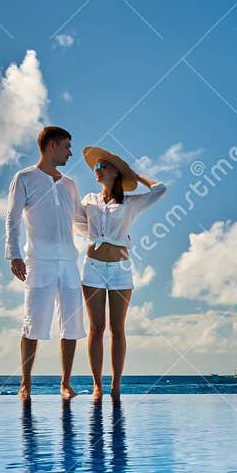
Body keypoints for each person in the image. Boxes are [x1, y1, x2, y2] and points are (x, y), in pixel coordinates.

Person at [74, 146, 167, 402]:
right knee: (96, 328)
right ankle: (97, 385)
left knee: (117, 328)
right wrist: (95, 238)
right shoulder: (89, 200)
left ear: (115, 171)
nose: (97, 170)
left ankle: (116, 384)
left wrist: (136, 176)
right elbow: (78, 223)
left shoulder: (130, 202)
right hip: (92, 266)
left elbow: (160, 189)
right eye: (96, 167)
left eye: (103, 166)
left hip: (121, 270)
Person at [6, 126, 88, 401]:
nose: (70, 152)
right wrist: (14, 254)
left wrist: (107, 233)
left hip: (69, 262)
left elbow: (80, 221)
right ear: (52, 145)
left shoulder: (70, 184)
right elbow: (13, 218)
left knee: (72, 324)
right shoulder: (25, 178)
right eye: (67, 146)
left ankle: (65, 383)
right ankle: (25, 384)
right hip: (38, 261)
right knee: (33, 323)